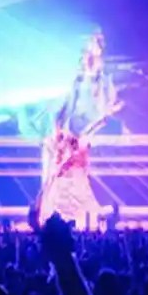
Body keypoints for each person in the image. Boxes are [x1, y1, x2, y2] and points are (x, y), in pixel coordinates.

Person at [37, 31, 121, 230]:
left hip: (88, 134)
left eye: (92, 48)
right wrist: (59, 129)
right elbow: (66, 108)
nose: (87, 56)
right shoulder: (76, 81)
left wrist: (90, 130)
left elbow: (106, 112)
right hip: (72, 137)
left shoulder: (104, 81)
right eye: (85, 51)